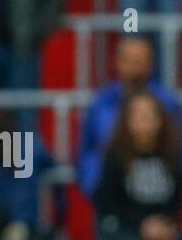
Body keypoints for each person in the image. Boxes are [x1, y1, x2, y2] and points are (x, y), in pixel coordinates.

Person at [95, 91, 182, 240]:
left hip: (160, 225)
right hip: (122, 225)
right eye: (138, 116)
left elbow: (173, 200)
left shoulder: (171, 157)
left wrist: (165, 223)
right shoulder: (115, 157)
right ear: (127, 121)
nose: (145, 122)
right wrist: (141, 224)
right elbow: (105, 201)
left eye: (150, 116)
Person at [77, 36, 181, 197]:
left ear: (151, 64)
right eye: (130, 60)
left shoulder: (167, 103)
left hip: (158, 193)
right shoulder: (101, 103)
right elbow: (87, 149)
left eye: (141, 60)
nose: (136, 68)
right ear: (117, 63)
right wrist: (93, 183)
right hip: (109, 191)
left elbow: (176, 149)